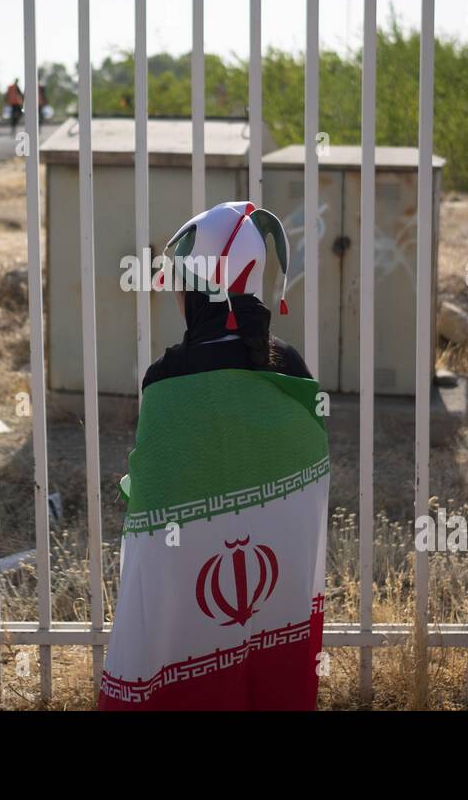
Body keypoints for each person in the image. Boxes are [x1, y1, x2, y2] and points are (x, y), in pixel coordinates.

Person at [98, 201, 330, 711]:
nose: (175, 295)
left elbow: (154, 498)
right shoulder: (290, 365)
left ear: (201, 285)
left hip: (191, 581)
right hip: (277, 580)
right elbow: (309, 475)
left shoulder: (168, 376)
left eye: (179, 282)